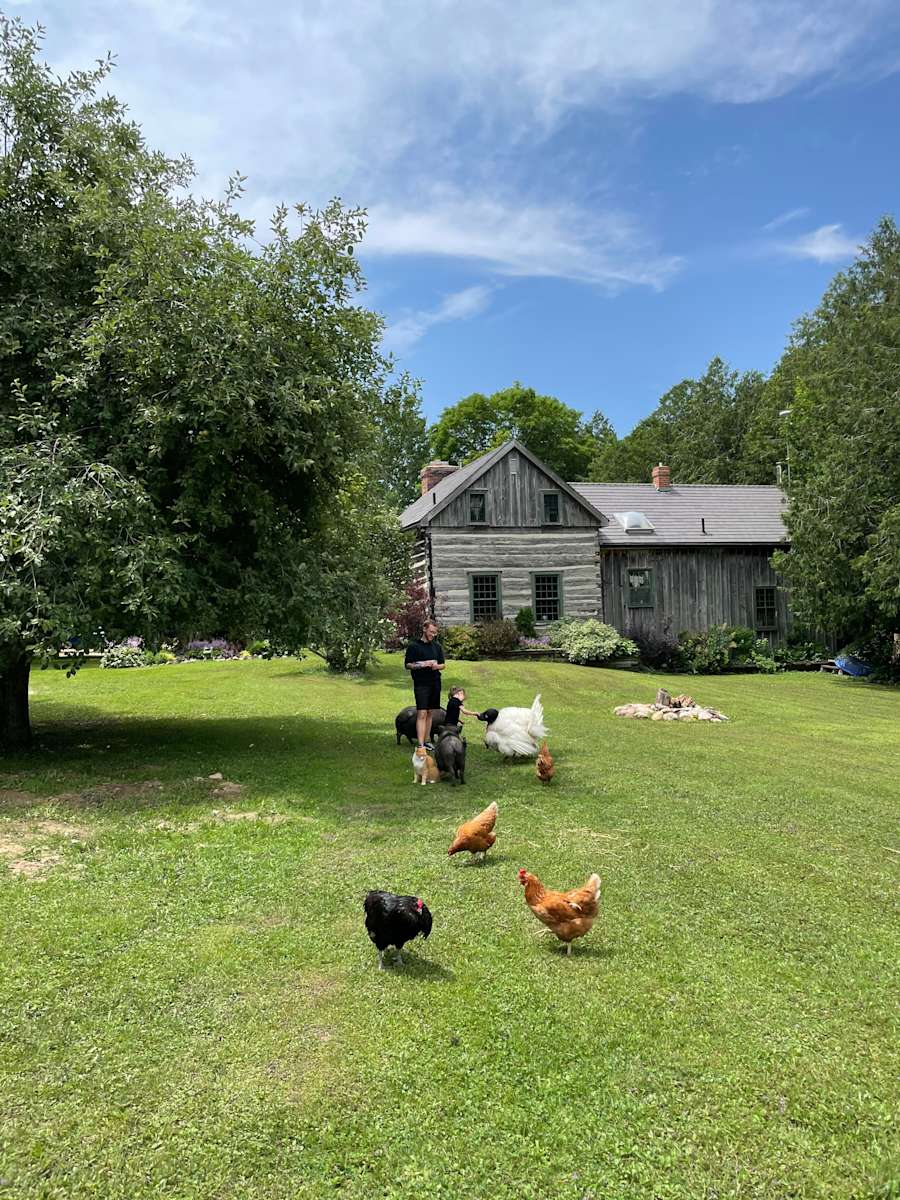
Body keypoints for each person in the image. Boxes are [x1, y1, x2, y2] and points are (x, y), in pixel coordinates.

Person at [404, 620, 446, 749]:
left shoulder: (437, 646)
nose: (433, 635)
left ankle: (427, 741)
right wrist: (422, 664)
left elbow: (443, 665)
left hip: (435, 682)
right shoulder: (413, 646)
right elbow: (408, 665)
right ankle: (421, 744)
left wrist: (436, 666)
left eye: (435, 633)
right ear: (424, 629)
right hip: (421, 684)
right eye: (431, 632)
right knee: (422, 713)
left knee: (429, 713)